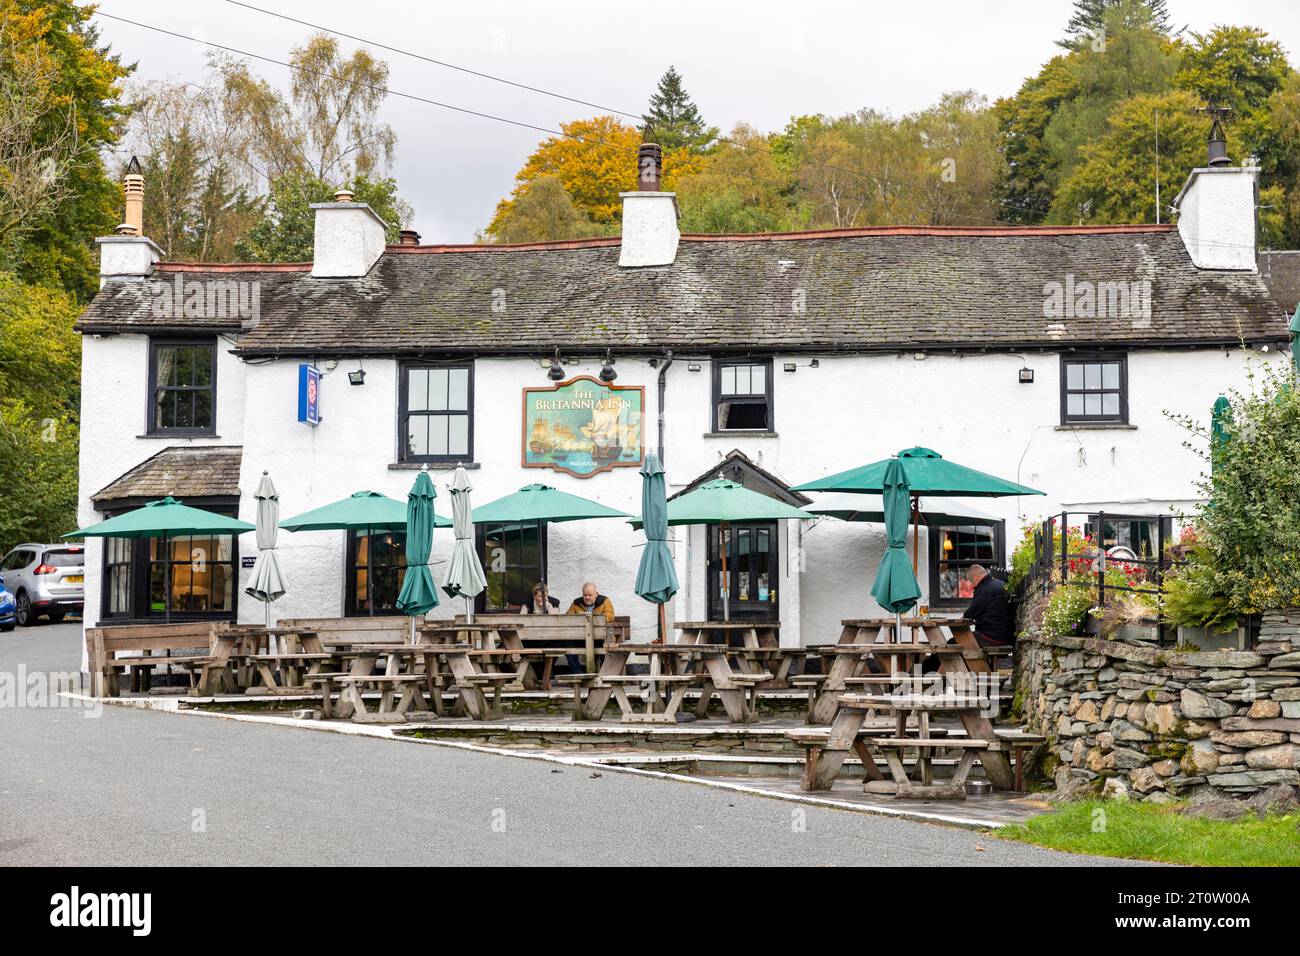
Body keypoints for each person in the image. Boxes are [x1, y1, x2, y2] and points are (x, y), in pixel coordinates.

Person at [965, 564, 1014, 646]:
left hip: (991, 636)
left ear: (975, 577)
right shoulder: (1000, 584)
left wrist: (966, 616)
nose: (972, 585)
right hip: (1004, 635)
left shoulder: (984, 589)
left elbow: (970, 614)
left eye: (971, 581)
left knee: (953, 642)